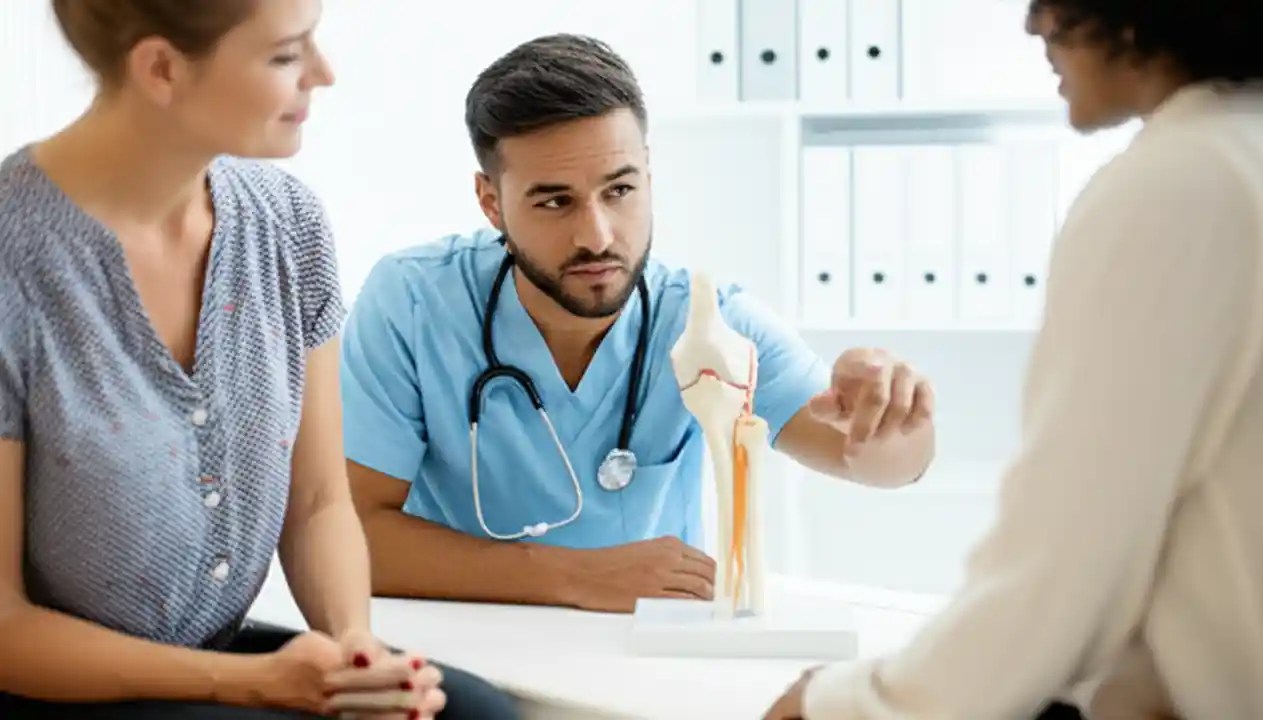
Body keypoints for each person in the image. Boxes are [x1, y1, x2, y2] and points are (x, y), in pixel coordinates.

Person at [0, 1, 517, 718]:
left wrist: (355, 658)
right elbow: (4, 631)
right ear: (161, 69)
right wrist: (252, 684)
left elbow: (317, 504)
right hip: (57, 685)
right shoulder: (13, 256)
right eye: (285, 54)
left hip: (223, 662)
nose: (324, 73)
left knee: (470, 712)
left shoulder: (288, 223)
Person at [765, 1, 1263, 718]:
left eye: (1053, 5)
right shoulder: (1254, 152)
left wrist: (836, 704)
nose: (1035, 28)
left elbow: (1060, 580)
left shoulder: (1183, 185)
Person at [339, 33, 938, 614]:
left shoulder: (710, 321)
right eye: (554, 201)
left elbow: (877, 464)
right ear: (491, 200)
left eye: (618, 190)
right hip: (469, 655)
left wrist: (889, 421)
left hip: (646, 655)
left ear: (648, 174)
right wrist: (575, 577)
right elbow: (347, 535)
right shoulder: (413, 304)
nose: (596, 236)